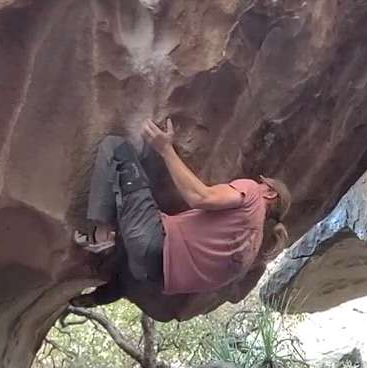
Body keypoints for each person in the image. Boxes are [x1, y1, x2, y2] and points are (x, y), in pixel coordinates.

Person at [74, 120, 291, 296]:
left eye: (264, 182)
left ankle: (100, 236)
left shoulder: (253, 193)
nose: (258, 181)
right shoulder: (249, 253)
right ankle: (112, 267)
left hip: (152, 241)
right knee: (146, 166)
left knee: (115, 147)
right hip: (150, 275)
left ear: (270, 193)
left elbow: (201, 197)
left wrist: (166, 149)